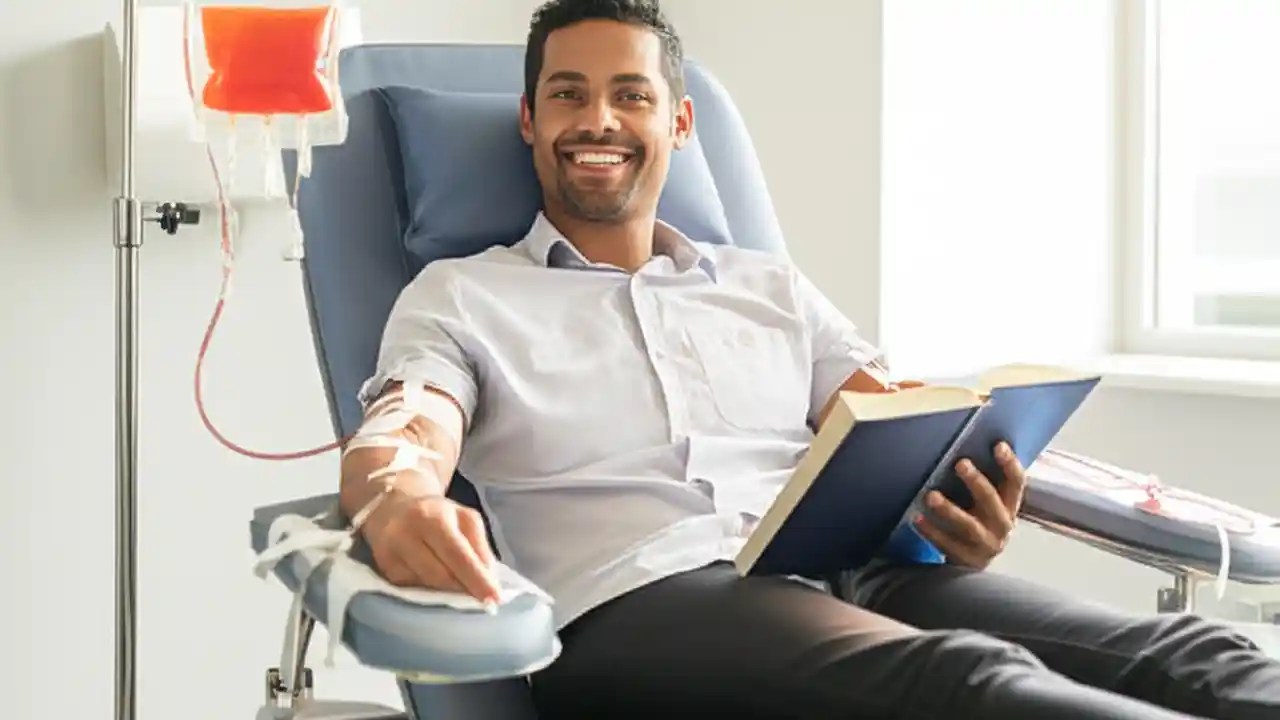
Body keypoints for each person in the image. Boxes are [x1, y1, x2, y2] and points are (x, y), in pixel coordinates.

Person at [338, 1, 1280, 717]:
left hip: (849, 570)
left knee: (1192, 655)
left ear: (679, 124)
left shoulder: (769, 287)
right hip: (637, 608)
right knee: (975, 683)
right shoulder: (464, 295)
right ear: (528, 120)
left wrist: (958, 504)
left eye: (631, 95)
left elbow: (890, 416)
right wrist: (399, 498)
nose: (599, 121)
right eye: (567, 95)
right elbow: (408, 427)